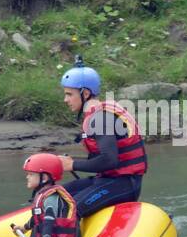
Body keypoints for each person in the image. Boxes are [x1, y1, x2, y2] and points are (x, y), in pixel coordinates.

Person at [55, 57, 147, 217]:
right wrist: (68, 162)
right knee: (53, 197)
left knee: (69, 210)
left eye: (69, 94)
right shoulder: (96, 115)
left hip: (123, 185)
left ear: (85, 93)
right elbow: (102, 158)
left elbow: (109, 160)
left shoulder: (100, 118)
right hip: (108, 181)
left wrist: (73, 165)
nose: (66, 100)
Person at [0, 153, 81, 237]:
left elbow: (48, 225)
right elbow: (37, 217)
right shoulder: (43, 195)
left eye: (31, 174)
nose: (27, 177)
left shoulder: (51, 199)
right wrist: (24, 228)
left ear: (44, 178)